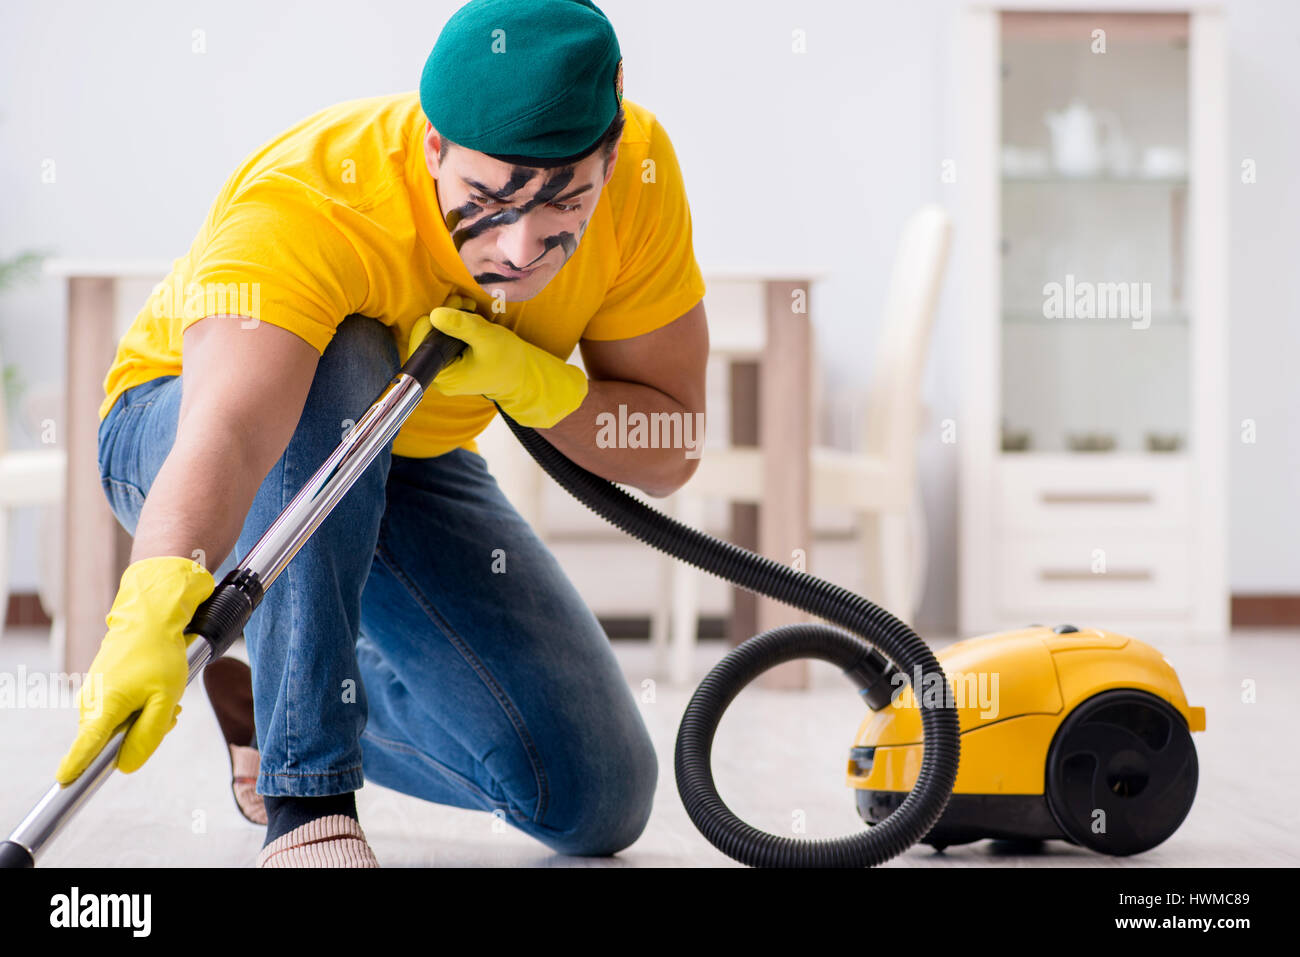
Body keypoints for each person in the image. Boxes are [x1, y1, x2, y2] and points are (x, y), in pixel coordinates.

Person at [56, 0, 709, 867]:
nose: (518, 249)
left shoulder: (641, 181)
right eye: (484, 200)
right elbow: (235, 430)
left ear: (612, 154)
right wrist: (151, 601)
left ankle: (268, 689)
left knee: (594, 794)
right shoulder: (314, 199)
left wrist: (537, 384)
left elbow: (669, 449)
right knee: (349, 350)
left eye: (560, 206)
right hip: (187, 428)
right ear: (433, 148)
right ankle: (307, 801)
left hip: (406, 452)